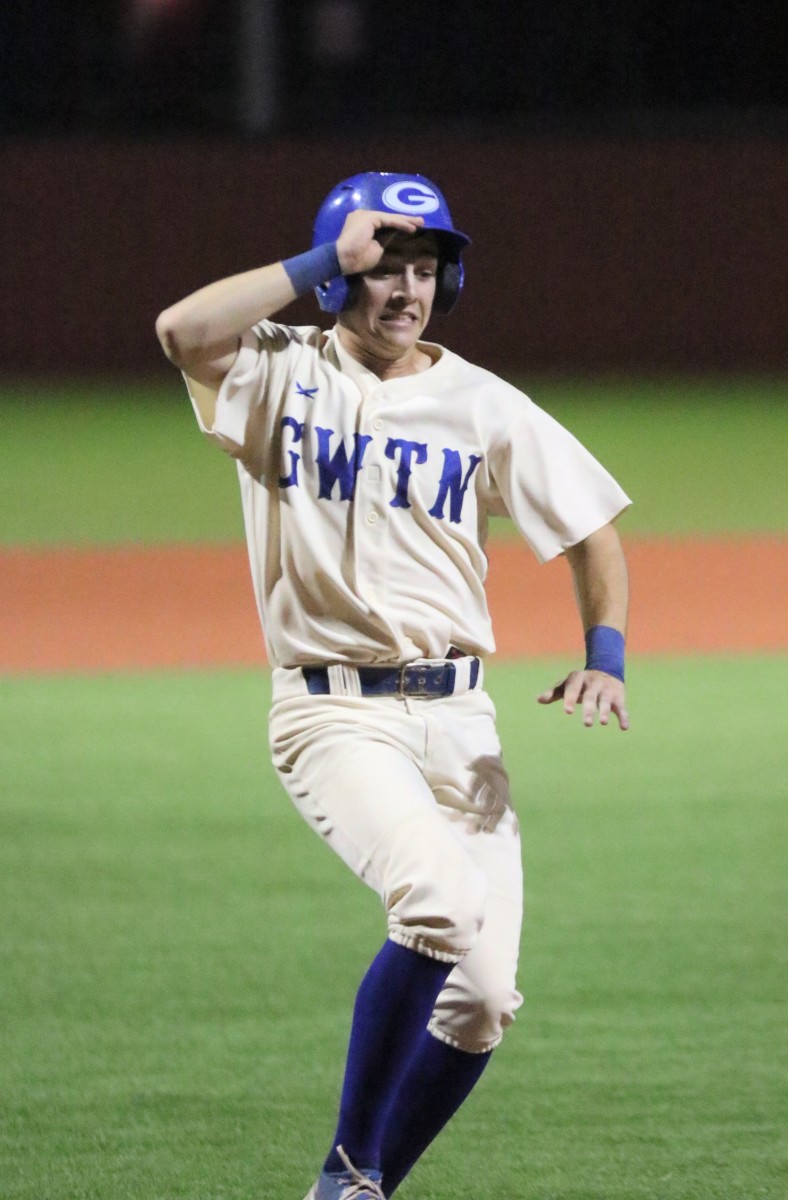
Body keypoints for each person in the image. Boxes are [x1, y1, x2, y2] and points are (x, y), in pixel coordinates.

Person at [155, 171, 632, 1200]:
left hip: (461, 721)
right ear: (339, 279)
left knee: (485, 1000)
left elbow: (594, 531)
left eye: (426, 270)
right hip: (334, 714)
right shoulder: (276, 373)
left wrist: (605, 658)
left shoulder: (479, 402)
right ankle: (342, 1171)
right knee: (435, 902)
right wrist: (328, 257)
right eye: (384, 268)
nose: (407, 289)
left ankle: (371, 1187)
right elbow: (180, 328)